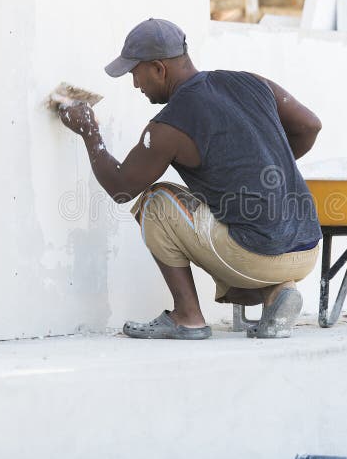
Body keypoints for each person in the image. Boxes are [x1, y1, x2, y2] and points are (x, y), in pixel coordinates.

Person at [58, 18, 322, 339]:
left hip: (257, 256)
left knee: (156, 201)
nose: (135, 84)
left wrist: (89, 131)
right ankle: (278, 292)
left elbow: (122, 188)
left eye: (134, 72)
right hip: (308, 248)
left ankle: (187, 316)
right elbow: (309, 125)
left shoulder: (171, 125)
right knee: (231, 217)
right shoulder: (250, 82)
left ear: (158, 68)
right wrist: (264, 172)